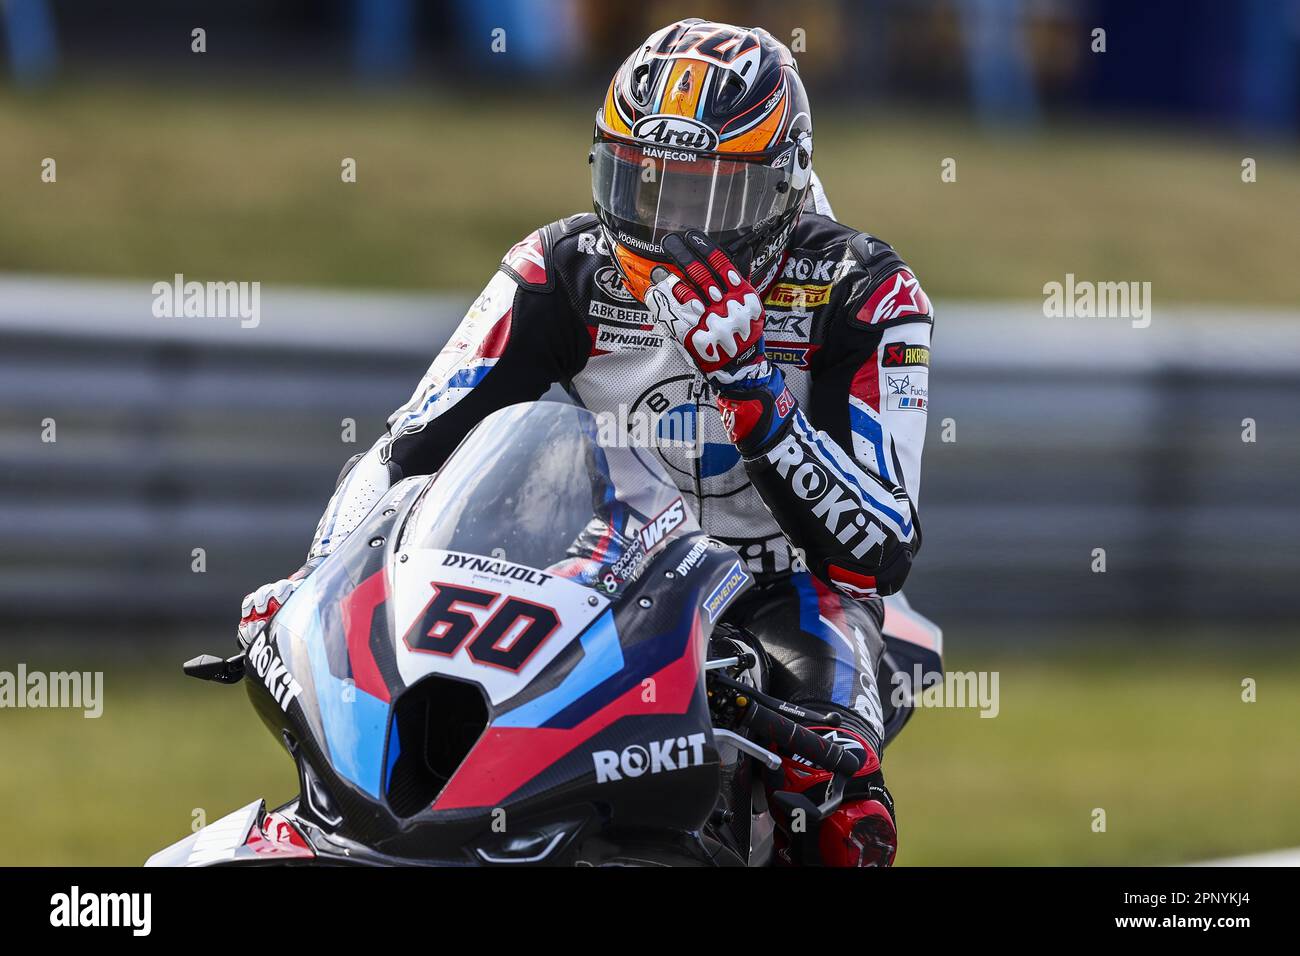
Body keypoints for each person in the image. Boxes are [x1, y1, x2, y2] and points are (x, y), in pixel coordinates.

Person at [239, 18, 934, 866]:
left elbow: (878, 551)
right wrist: (315, 579)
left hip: (786, 594)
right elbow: (405, 452)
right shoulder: (559, 268)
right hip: (612, 578)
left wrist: (751, 389)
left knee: (837, 810)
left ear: (784, 185)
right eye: (645, 186)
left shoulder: (869, 294)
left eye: (709, 197)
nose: (670, 225)